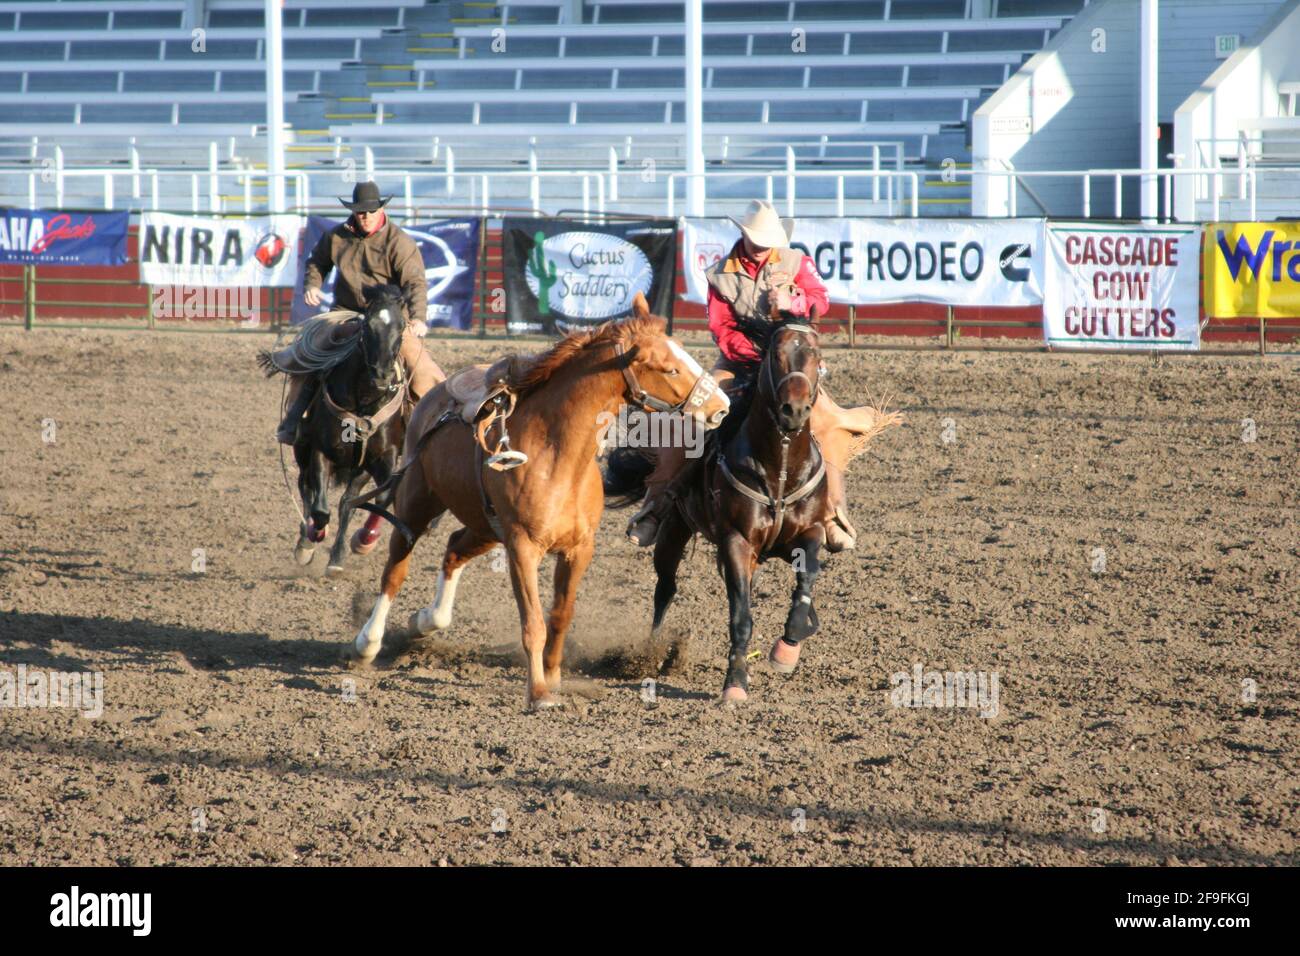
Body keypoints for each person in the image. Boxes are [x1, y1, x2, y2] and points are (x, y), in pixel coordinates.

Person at [625, 199, 864, 552]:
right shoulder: (721, 275)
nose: (764, 246)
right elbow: (722, 329)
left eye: (769, 239)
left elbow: (819, 300)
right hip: (739, 362)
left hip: (791, 362)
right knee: (691, 420)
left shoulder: (796, 263)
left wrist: (792, 304)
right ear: (745, 236)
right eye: (758, 238)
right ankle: (656, 507)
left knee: (826, 420)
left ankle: (831, 513)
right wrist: (762, 357)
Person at [275, 181, 445, 443]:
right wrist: (313, 284)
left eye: (369, 212)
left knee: (421, 368)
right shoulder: (336, 237)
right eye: (360, 212)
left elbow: (415, 282)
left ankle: (436, 423)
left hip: (389, 318)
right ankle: (295, 418)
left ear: (380, 210)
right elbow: (316, 262)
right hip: (346, 313)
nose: (365, 217)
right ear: (354, 212)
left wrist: (419, 317)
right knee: (311, 354)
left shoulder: (398, 242)